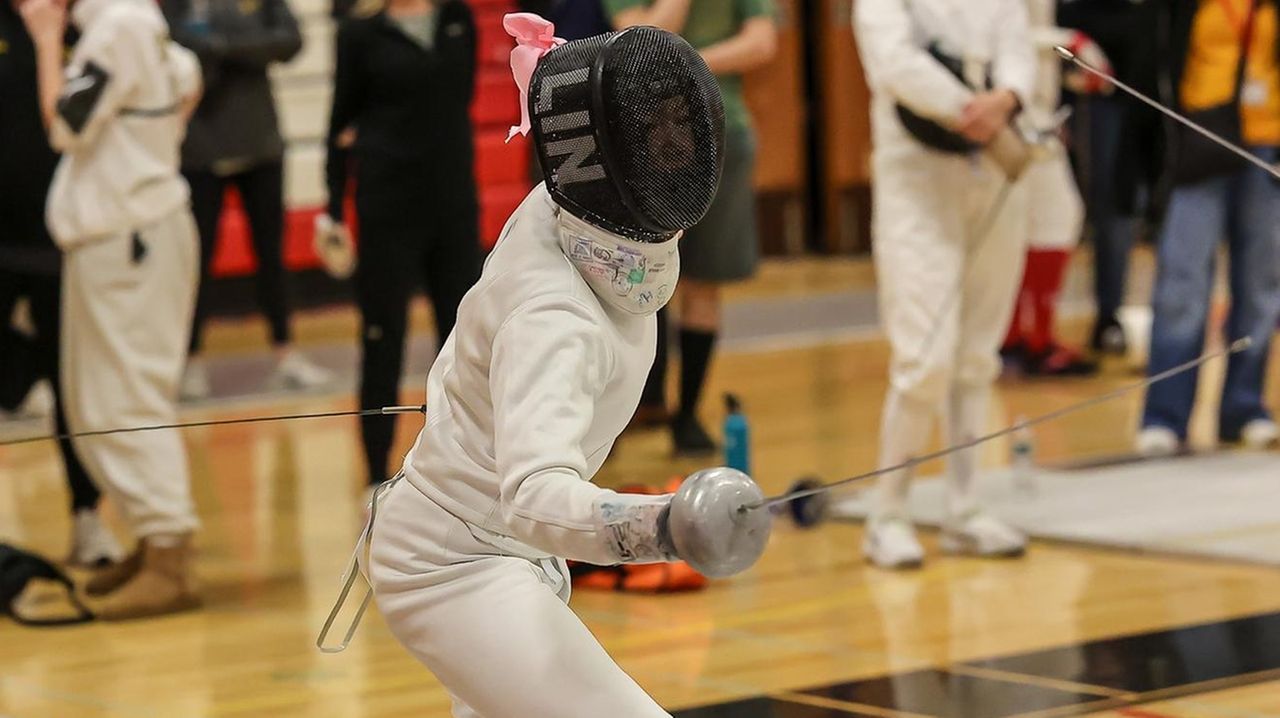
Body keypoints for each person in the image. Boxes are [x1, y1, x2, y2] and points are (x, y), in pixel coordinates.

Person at [365, 17, 767, 717]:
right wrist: (666, 525)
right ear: (610, 151)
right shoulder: (554, 316)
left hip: (511, 553)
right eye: (652, 129)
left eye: (681, 123)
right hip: (455, 568)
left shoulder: (568, 204)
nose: (675, 143)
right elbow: (534, 496)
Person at [21, 0, 204, 619]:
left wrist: (46, 39)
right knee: (93, 399)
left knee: (126, 397)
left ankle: (169, 552)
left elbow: (64, 125)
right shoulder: (134, 22)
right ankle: (154, 540)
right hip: (125, 233)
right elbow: (189, 79)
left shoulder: (120, 22)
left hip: (131, 236)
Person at [854, 0, 1034, 569]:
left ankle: (964, 507)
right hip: (917, 180)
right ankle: (887, 514)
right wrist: (967, 108)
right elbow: (894, 62)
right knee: (925, 359)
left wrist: (1007, 98)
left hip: (992, 174)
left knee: (977, 356)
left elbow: (1018, 48)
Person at [322, 0, 484, 491]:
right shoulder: (360, 33)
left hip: (453, 203)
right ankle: (376, 473)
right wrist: (333, 209)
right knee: (382, 338)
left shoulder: (456, 18)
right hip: (387, 207)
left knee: (463, 340)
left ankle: (463, 467)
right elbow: (338, 124)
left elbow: (461, 97)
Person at [604, 0, 777, 455]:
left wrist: (685, 68)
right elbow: (639, 46)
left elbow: (762, 43)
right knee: (635, 278)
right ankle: (624, 411)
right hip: (642, 137)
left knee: (704, 280)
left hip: (722, 131)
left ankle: (688, 415)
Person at [0, 0, 122, 568]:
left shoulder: (88, 24)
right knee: (27, 371)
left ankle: (87, 518)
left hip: (62, 235)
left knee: (71, 383)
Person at [162, 0, 333, 401]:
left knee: (271, 254)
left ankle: (286, 354)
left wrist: (222, 47)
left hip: (261, 143)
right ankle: (190, 360)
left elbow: (289, 40)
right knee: (195, 259)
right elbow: (173, 45)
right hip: (200, 150)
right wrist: (243, 47)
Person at [1137, 0, 1280, 455]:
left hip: (1267, 146)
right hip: (1201, 143)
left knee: (1261, 287)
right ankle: (1165, 415)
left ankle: (1244, 407)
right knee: (1183, 284)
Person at [1002, 1, 1109, 377]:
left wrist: (1065, 83)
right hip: (1014, 116)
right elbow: (1004, 36)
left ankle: (1023, 338)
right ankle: (1027, 340)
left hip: (1035, 113)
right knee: (1047, 219)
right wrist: (1073, 42)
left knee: (1041, 222)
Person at [1058, 0, 1161, 356]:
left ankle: (1166, 327)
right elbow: (1069, 20)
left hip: (1164, 97)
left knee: (1168, 208)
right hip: (1107, 100)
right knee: (1115, 208)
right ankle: (1108, 316)